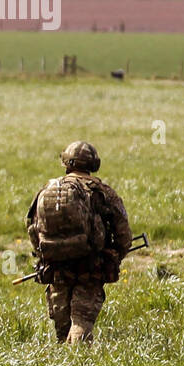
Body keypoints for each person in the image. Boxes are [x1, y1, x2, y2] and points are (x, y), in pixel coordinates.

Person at [26, 141, 132, 345]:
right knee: (81, 322)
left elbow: (32, 225)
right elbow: (123, 234)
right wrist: (114, 256)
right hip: (90, 267)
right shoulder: (103, 192)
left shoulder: (48, 189)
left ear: (65, 163)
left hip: (56, 267)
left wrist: (45, 254)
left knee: (61, 328)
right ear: (94, 164)